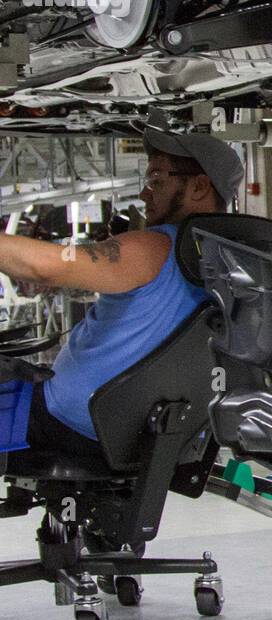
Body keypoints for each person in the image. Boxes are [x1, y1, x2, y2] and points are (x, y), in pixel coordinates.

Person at [0, 111, 242, 459]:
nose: (144, 193)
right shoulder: (230, 260)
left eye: (157, 180)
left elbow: (45, 268)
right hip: (140, 432)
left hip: (61, 422)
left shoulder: (155, 247)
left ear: (200, 186)